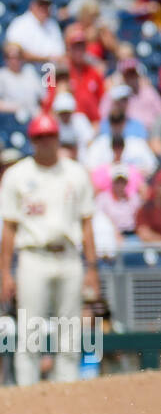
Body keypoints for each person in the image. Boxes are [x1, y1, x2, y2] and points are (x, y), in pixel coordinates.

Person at [0, 115, 98, 385]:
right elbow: (8, 228)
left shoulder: (75, 172)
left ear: (58, 138)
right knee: (31, 331)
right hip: (33, 255)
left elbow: (87, 224)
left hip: (68, 255)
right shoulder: (17, 175)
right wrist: (5, 273)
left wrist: (92, 269)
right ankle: (29, 398)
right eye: (39, 137)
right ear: (32, 141)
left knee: (69, 334)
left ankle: (65, 396)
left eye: (50, 135)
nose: (45, 142)